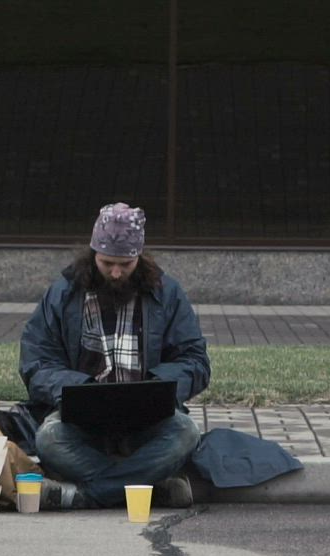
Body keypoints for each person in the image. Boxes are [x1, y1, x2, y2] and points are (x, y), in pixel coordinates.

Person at [19, 202, 210, 510]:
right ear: (93, 253)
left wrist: (154, 385)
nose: (117, 272)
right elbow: (36, 362)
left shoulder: (168, 294)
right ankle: (150, 490)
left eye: (126, 264)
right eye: (107, 263)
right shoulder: (63, 294)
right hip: (82, 422)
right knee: (49, 439)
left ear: (139, 258)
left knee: (185, 433)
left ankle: (85, 496)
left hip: (150, 421)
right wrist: (79, 388)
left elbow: (196, 361)